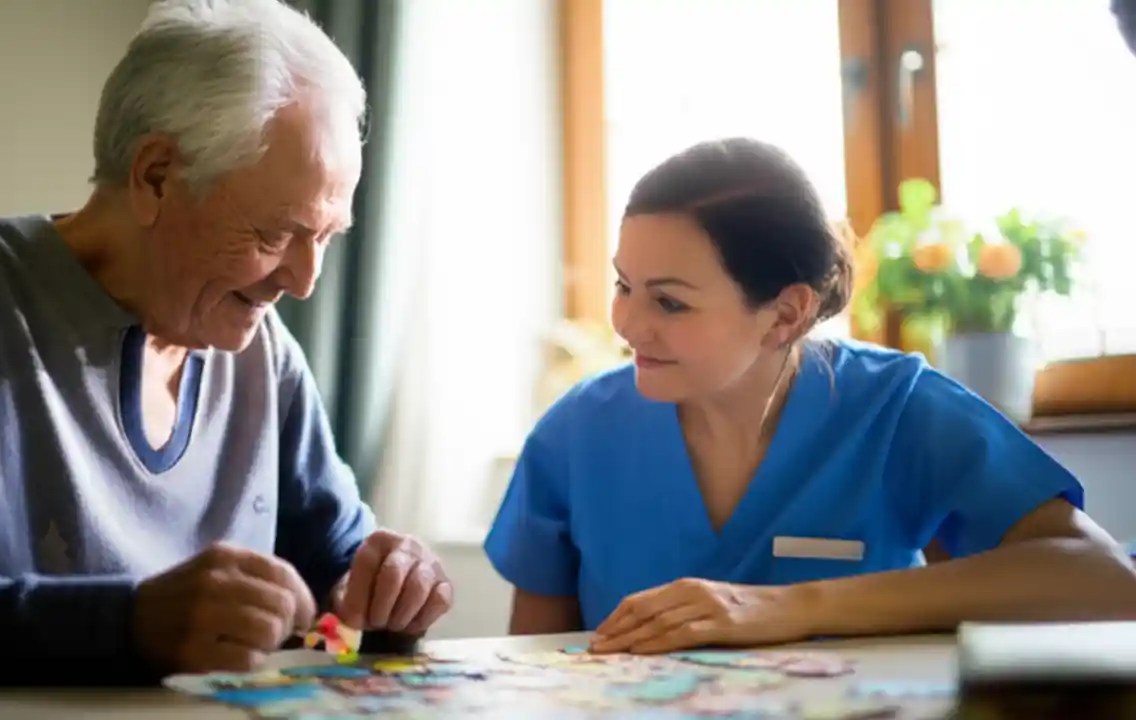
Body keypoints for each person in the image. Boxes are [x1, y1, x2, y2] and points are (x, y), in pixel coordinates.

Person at [0, 0, 451, 684]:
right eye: (274, 234)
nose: (305, 280)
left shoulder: (267, 356)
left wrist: (393, 586)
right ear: (156, 176)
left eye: (325, 238)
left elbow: (341, 592)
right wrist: (128, 622)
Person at [484, 137, 1136, 655]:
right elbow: (537, 672)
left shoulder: (899, 410)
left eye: (670, 301)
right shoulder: (575, 435)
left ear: (785, 314)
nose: (626, 324)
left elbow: (1109, 583)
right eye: (624, 285)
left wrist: (791, 606)